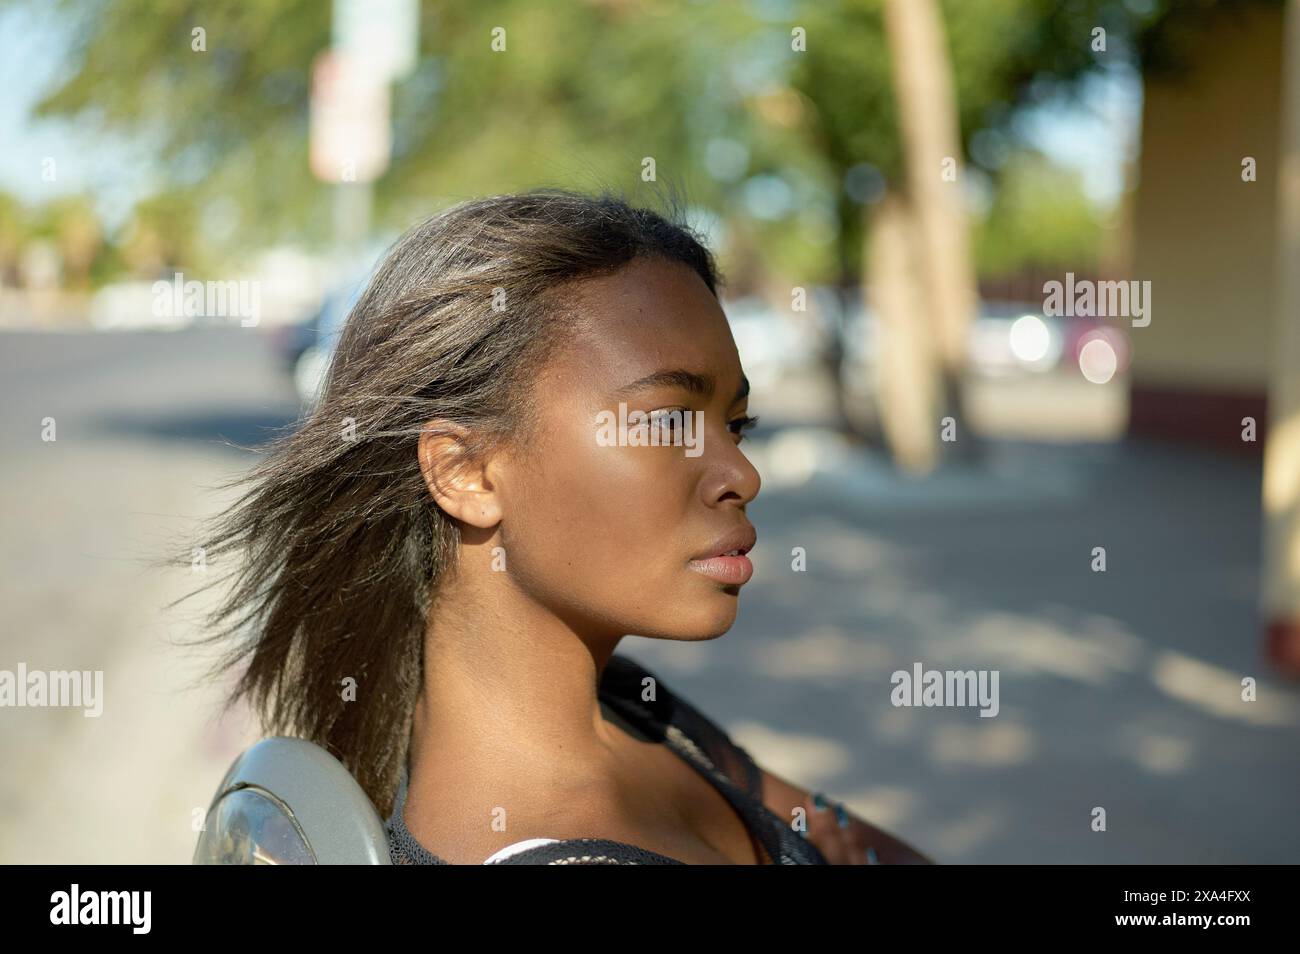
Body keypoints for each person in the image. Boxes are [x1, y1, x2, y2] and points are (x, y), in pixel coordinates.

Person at [190, 188, 932, 865]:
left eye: (736, 424)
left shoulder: (632, 712)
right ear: (467, 473)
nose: (742, 474)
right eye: (670, 421)